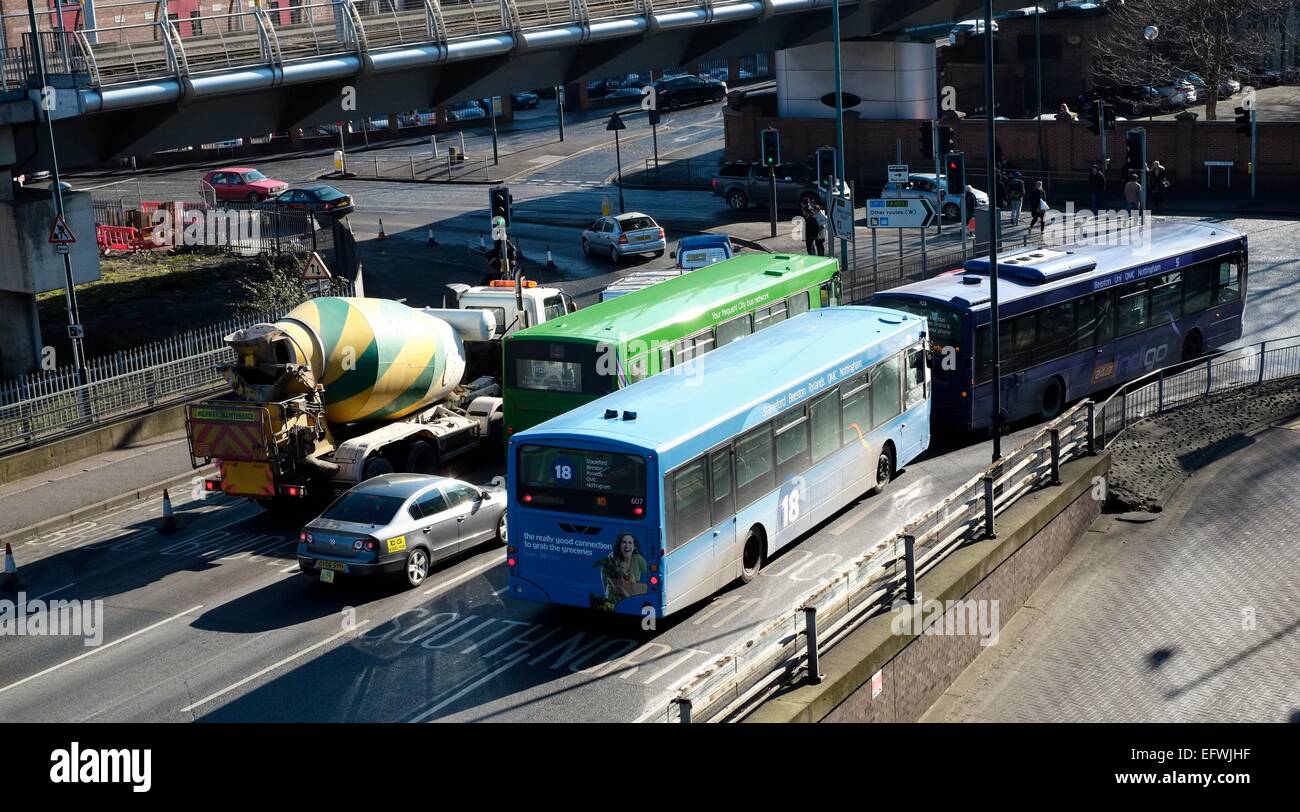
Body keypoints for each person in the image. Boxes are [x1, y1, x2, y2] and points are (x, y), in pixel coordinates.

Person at [591, 533, 649, 610]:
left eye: (630, 543)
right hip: (614, 601)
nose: (627, 546)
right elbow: (605, 576)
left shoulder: (638, 559)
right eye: (624, 542)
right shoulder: (613, 557)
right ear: (619, 545)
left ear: (634, 546)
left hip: (631, 599)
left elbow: (651, 573)